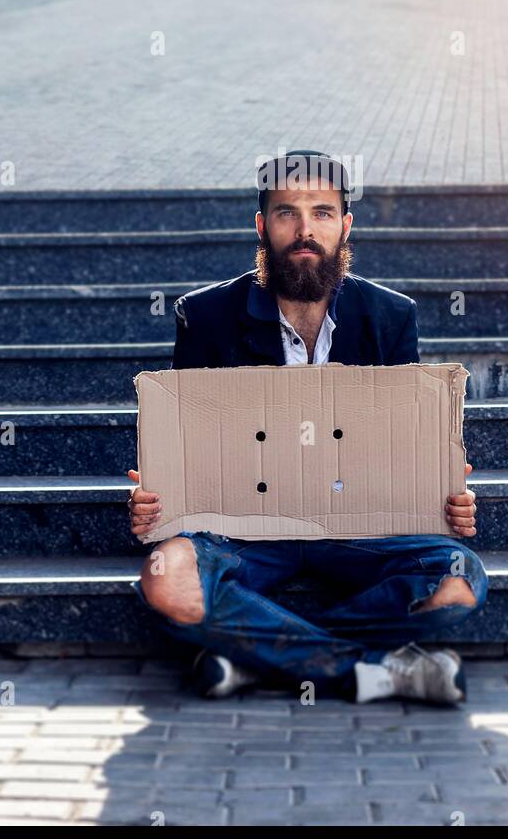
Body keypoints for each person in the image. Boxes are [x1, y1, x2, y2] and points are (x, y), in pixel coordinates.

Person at [129, 150, 487, 707]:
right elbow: (188, 443)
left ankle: (256, 657)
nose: (303, 230)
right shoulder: (205, 316)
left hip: (356, 524)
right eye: (285, 213)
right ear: (261, 225)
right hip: (242, 528)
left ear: (345, 225)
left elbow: (403, 442)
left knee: (457, 579)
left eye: (321, 212)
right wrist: (156, 497)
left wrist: (445, 492)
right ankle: (369, 671)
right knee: (165, 576)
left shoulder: (390, 317)